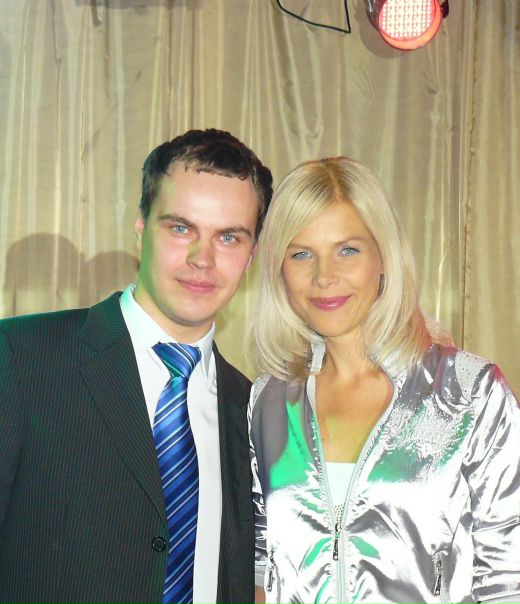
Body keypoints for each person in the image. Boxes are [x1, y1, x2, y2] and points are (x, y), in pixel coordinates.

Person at [0, 128, 272, 604]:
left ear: (250, 256)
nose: (202, 259)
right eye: (181, 228)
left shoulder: (253, 410)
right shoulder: (21, 359)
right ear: (142, 226)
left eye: (228, 237)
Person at [249, 156, 520, 604]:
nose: (324, 276)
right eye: (301, 254)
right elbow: (260, 564)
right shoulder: (269, 400)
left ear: (383, 257)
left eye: (347, 250)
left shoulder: (471, 391)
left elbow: (509, 576)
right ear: (279, 269)